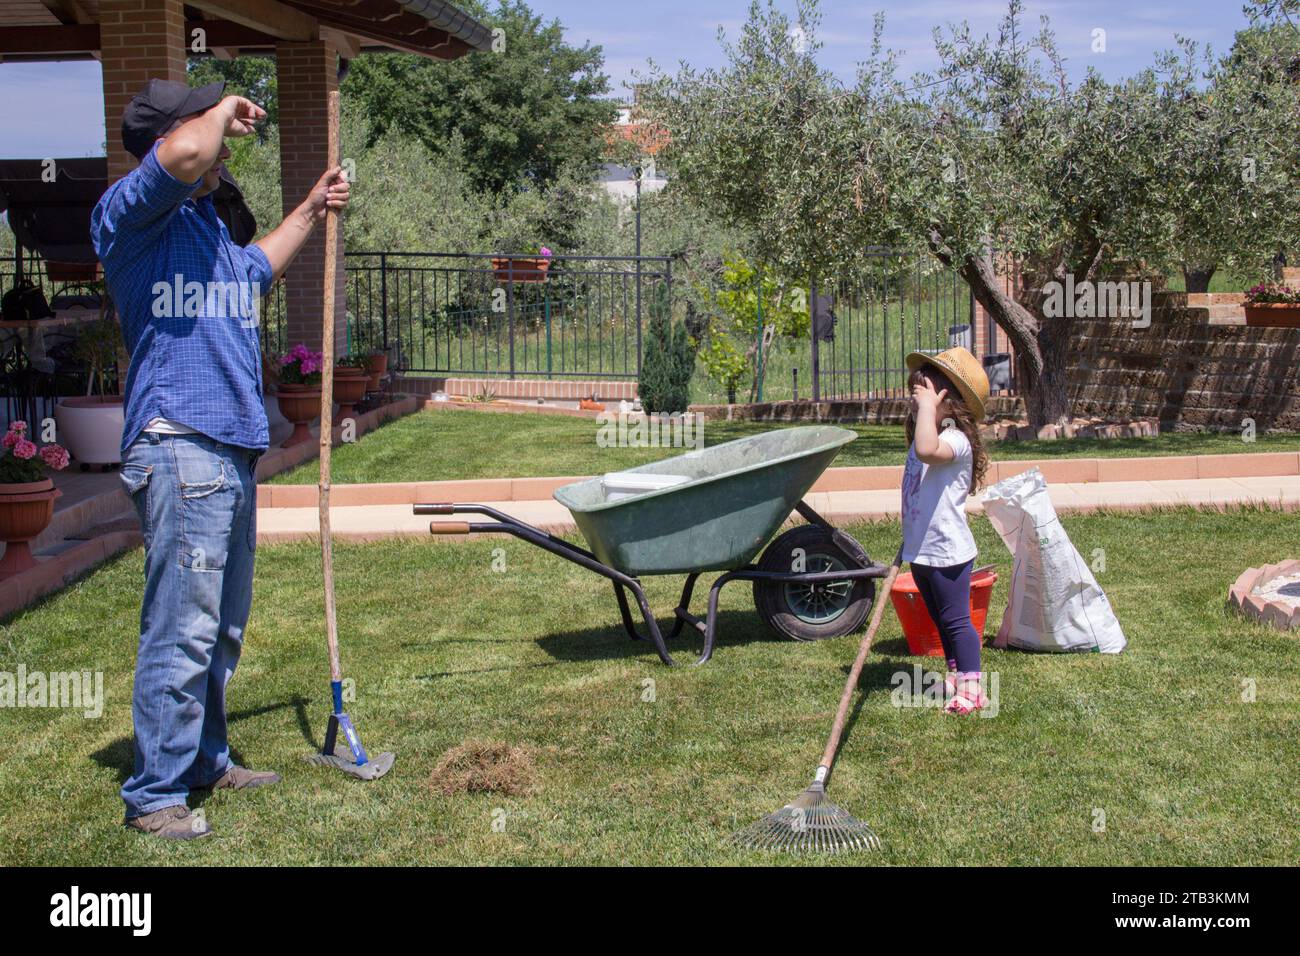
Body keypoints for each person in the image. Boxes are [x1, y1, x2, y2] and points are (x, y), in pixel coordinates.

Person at [91, 79, 349, 839]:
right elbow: (188, 149)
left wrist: (310, 206)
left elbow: (257, 270)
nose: (221, 151)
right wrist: (223, 107)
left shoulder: (207, 232)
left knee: (220, 624)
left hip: (230, 449)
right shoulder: (129, 218)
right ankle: (155, 795)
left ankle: (204, 757)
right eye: (206, 131)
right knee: (182, 624)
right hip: (179, 442)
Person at [900, 347, 991, 716]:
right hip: (923, 548)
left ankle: (974, 688)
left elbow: (926, 450)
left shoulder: (955, 440)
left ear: (946, 401)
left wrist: (926, 410)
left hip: (948, 550)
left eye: (922, 395)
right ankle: (955, 677)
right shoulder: (930, 433)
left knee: (956, 620)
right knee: (939, 618)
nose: (914, 402)